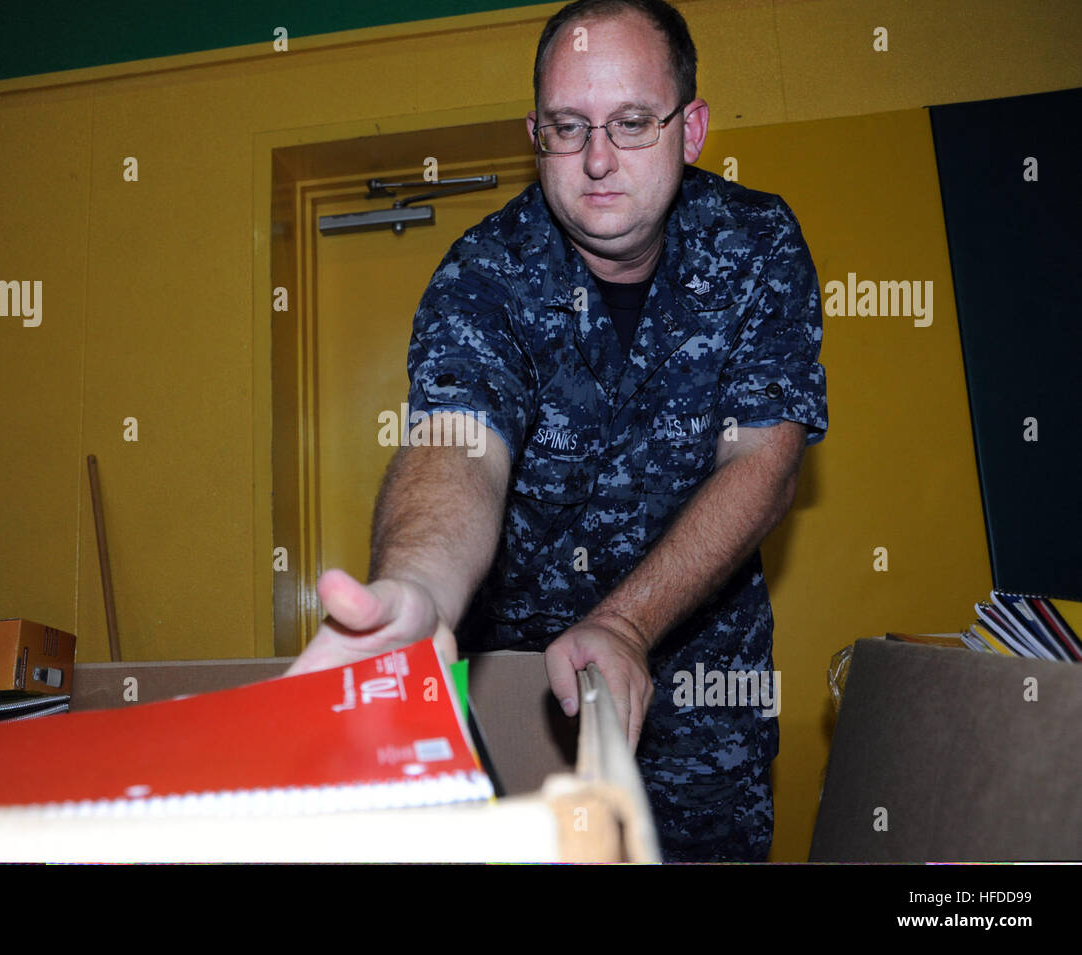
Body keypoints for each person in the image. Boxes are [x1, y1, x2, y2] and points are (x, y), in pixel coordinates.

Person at [288, 0, 827, 862]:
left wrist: (625, 623)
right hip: (519, 690)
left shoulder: (757, 244)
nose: (598, 158)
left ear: (691, 129)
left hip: (701, 686)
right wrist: (418, 587)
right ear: (534, 133)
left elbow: (764, 461)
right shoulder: (485, 273)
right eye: (568, 128)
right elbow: (457, 448)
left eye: (632, 123)